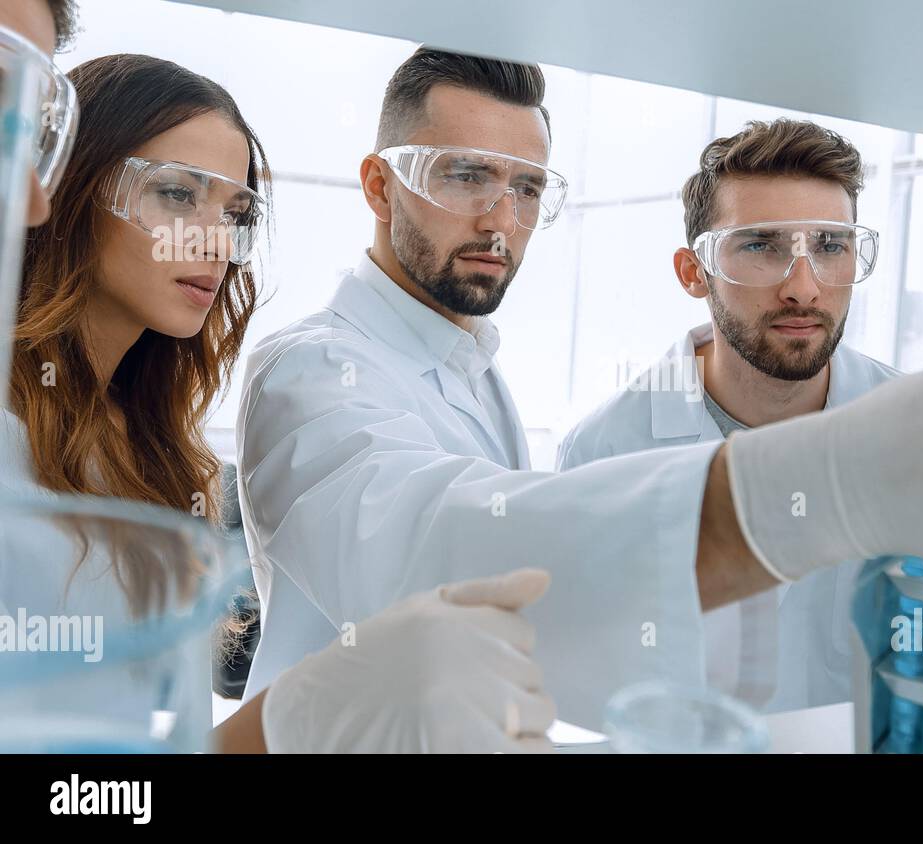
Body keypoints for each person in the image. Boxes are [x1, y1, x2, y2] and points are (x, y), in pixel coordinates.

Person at [236, 46, 923, 729]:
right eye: (465, 174)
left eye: (525, 185)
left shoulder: (467, 364)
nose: (500, 216)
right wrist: (837, 480)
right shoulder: (316, 372)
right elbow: (443, 559)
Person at [0, 0, 554, 753]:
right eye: (176, 192)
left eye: (235, 212)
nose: (215, 242)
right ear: (66, 181)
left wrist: (296, 718)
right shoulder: (12, 429)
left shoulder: (158, 454)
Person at [558, 118, 897, 711]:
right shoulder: (605, 450)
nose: (804, 288)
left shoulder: (910, 431)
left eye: (830, 246)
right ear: (694, 272)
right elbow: (586, 682)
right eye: (761, 246)